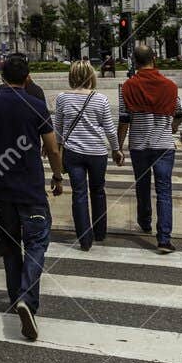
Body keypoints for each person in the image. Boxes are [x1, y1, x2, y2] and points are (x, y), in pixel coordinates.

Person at [0, 54, 66, 342]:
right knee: (36, 244)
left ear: (2, 77)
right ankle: (27, 299)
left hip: (2, 189)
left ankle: (16, 299)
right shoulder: (36, 106)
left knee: (10, 248)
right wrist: (57, 177)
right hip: (32, 189)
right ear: (27, 77)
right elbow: (53, 149)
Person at [116, 43, 182, 253]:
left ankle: (145, 222)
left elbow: (124, 120)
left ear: (135, 62)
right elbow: (179, 111)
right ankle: (164, 239)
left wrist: (118, 147)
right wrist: (173, 126)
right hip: (163, 145)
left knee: (142, 186)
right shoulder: (170, 86)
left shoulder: (127, 87)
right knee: (164, 190)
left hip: (139, 146)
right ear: (154, 58)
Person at [54, 60, 118, 250]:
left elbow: (58, 128)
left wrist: (56, 151)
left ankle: (84, 239)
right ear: (91, 76)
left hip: (73, 152)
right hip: (97, 152)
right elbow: (110, 130)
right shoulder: (101, 99)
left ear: (72, 76)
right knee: (98, 191)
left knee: (79, 194)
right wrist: (116, 149)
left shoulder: (62, 98)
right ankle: (100, 232)